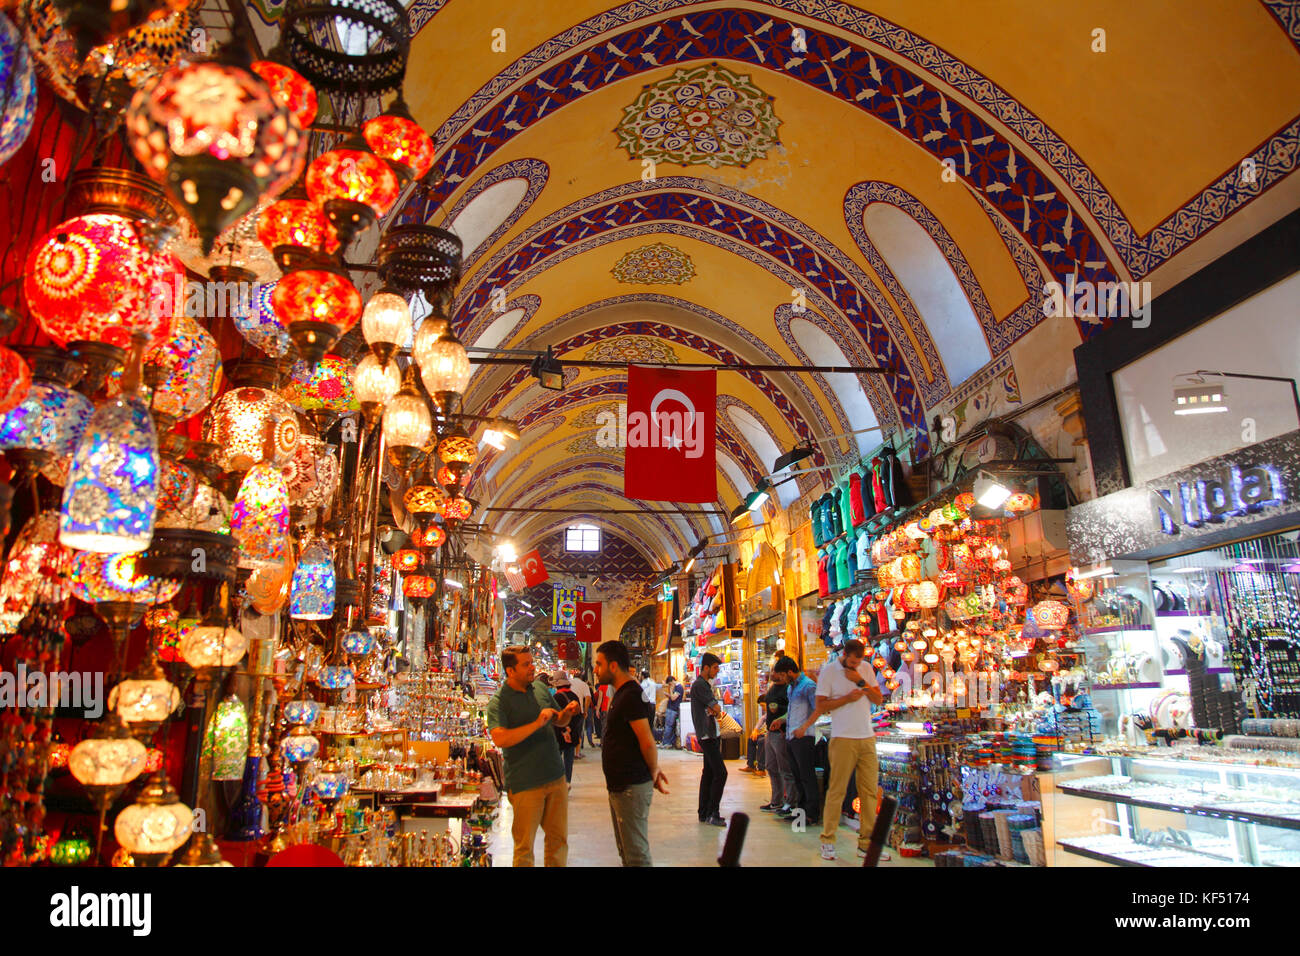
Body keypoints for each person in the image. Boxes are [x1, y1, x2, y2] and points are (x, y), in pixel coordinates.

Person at [486, 646, 581, 866]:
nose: (532, 667)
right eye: (526, 664)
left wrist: (567, 714)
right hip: (525, 783)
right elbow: (499, 738)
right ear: (510, 671)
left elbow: (558, 720)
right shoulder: (499, 702)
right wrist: (537, 723)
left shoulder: (538, 688)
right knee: (524, 848)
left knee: (558, 841)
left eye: (532, 662)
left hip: (555, 777)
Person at [794, 639, 885, 862]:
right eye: (852, 661)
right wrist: (846, 699)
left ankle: (866, 845)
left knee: (869, 793)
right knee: (837, 791)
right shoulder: (829, 672)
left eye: (859, 661)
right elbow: (821, 705)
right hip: (843, 738)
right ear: (844, 655)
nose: (855, 665)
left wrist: (861, 682)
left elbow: (879, 699)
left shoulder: (865, 669)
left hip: (867, 737)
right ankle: (828, 840)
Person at [594, 640, 669, 866]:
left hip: (630, 786)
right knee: (627, 851)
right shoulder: (625, 693)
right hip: (621, 785)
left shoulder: (631, 696)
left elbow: (646, 740)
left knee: (635, 854)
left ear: (613, 666)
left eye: (599, 664)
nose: (596, 670)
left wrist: (654, 769)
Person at [774, 656, 820, 826]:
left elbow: (818, 710)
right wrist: (782, 720)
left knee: (807, 777)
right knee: (797, 777)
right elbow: (793, 712)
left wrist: (804, 727)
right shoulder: (791, 688)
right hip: (792, 737)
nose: (781, 680)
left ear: (790, 672)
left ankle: (811, 814)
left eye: (782, 676)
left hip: (804, 737)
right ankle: (800, 813)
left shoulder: (808, 686)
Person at [691, 654, 727, 827]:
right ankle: (713, 812)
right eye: (714, 668)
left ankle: (704, 812)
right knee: (721, 773)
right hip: (707, 734)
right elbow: (716, 707)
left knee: (710, 773)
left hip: (710, 733)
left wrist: (715, 710)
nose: (717, 671)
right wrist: (715, 709)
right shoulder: (700, 685)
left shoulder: (703, 685)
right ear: (705, 668)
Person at [759, 668, 793, 813]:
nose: (771, 674)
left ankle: (790, 802)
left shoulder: (788, 689)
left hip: (781, 732)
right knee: (771, 766)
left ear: (782, 674)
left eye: (774, 672)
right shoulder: (773, 688)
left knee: (784, 768)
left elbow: (792, 708)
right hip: (770, 732)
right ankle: (776, 800)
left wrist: (779, 709)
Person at [551, 672, 582, 784]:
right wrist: (572, 728)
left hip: (559, 733)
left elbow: (554, 718)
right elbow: (579, 715)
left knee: (557, 759)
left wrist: (563, 729)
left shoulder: (555, 698)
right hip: (572, 732)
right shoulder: (574, 696)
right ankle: (567, 781)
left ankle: (559, 781)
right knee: (569, 759)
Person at [568, 670, 592, 758]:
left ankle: (568, 751)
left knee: (568, 730)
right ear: (581, 678)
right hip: (579, 712)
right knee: (578, 732)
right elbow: (588, 698)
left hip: (568, 711)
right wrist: (585, 711)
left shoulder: (568, 683)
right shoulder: (584, 684)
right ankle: (577, 753)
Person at [660, 675, 683, 748]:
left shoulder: (678, 687)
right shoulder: (676, 687)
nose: (669, 685)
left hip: (673, 709)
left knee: (668, 726)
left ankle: (666, 742)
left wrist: (671, 689)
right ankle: (670, 742)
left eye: (669, 684)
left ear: (672, 681)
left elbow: (673, 698)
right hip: (672, 708)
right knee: (671, 726)